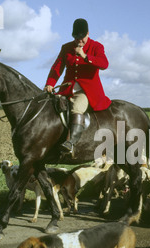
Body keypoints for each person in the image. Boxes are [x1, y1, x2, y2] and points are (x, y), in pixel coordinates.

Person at [45, 18, 111, 154]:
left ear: (87, 33)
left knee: (77, 107)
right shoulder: (66, 48)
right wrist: (50, 84)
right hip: (67, 89)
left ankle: (71, 142)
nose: (79, 40)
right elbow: (57, 68)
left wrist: (85, 56)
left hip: (86, 91)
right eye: (76, 37)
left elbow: (104, 64)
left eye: (81, 37)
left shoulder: (97, 46)